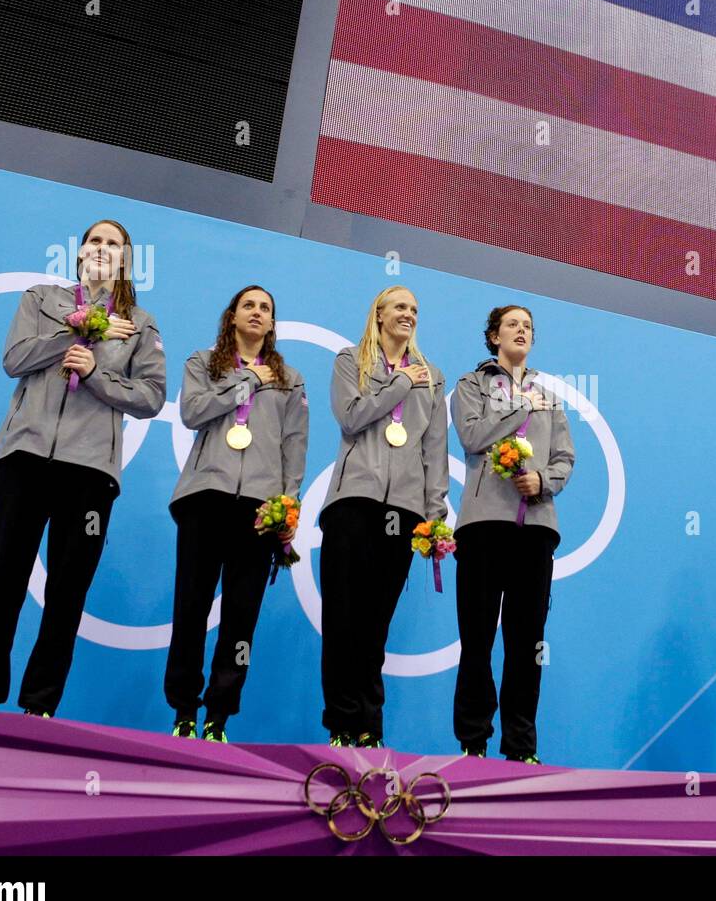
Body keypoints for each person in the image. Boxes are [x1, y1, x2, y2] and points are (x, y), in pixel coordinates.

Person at [0, 219, 166, 716]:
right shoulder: (42, 299)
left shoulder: (141, 324)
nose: (102, 249)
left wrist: (98, 373)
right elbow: (16, 358)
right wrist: (84, 328)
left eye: (113, 244)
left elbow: (152, 397)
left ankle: (39, 707)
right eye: (94, 241)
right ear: (79, 254)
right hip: (25, 459)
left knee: (66, 594)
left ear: (125, 259)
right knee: (1, 586)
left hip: (89, 472)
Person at [163, 286, 308, 742]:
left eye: (266, 308)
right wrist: (247, 382)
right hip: (206, 496)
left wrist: (288, 503)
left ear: (272, 323)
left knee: (242, 617)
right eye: (249, 305)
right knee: (191, 606)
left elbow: (294, 445)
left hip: (260, 510)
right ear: (232, 317)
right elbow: (192, 411)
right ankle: (185, 711)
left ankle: (218, 717)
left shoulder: (291, 378)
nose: (258, 313)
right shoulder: (202, 363)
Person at [318, 286, 449, 748]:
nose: (408, 314)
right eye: (400, 307)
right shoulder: (350, 359)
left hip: (404, 511)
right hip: (353, 502)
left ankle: (369, 728)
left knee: (376, 623)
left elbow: (435, 450)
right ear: (378, 314)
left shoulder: (433, 376)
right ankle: (340, 724)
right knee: (342, 617)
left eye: (415, 309)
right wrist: (398, 384)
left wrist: (435, 517)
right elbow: (350, 416)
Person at [451, 305, 575, 763]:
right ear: (493, 336)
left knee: (526, 642)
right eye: (513, 325)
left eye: (528, 327)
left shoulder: (551, 396)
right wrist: (522, 406)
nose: (522, 331)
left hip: (536, 529)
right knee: (478, 636)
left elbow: (565, 457)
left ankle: (521, 747)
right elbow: (471, 436)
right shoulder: (470, 385)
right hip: (483, 525)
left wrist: (543, 480)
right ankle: (473, 742)